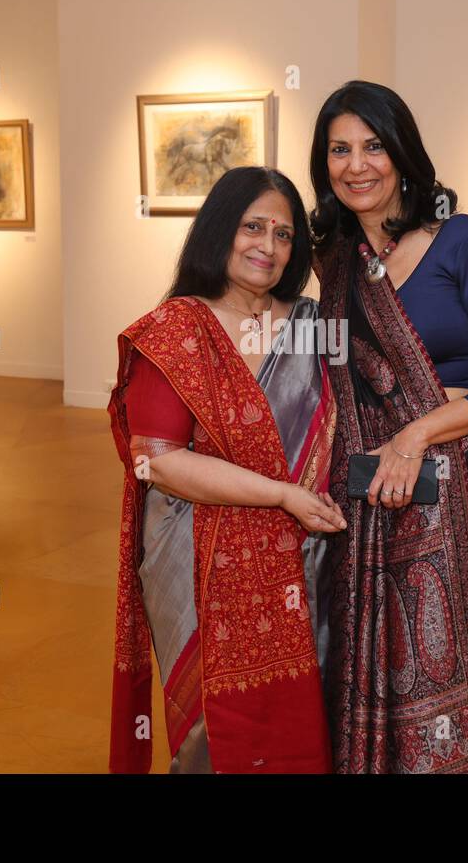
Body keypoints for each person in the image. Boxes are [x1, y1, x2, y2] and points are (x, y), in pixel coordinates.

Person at [310, 80, 468, 773]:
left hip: (461, 489)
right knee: (367, 655)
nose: (356, 165)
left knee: (452, 655)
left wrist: (413, 437)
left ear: (402, 153)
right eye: (339, 149)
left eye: (373, 146)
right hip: (365, 493)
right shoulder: (335, 258)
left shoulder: (461, 241)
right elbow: (333, 372)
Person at [106, 166, 347, 774]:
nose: (268, 246)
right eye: (253, 227)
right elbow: (158, 462)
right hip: (197, 556)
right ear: (220, 230)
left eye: (285, 234)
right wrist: (281, 495)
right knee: (214, 726)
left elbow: (373, 400)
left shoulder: (315, 327)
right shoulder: (174, 332)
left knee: (303, 702)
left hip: (304, 557)